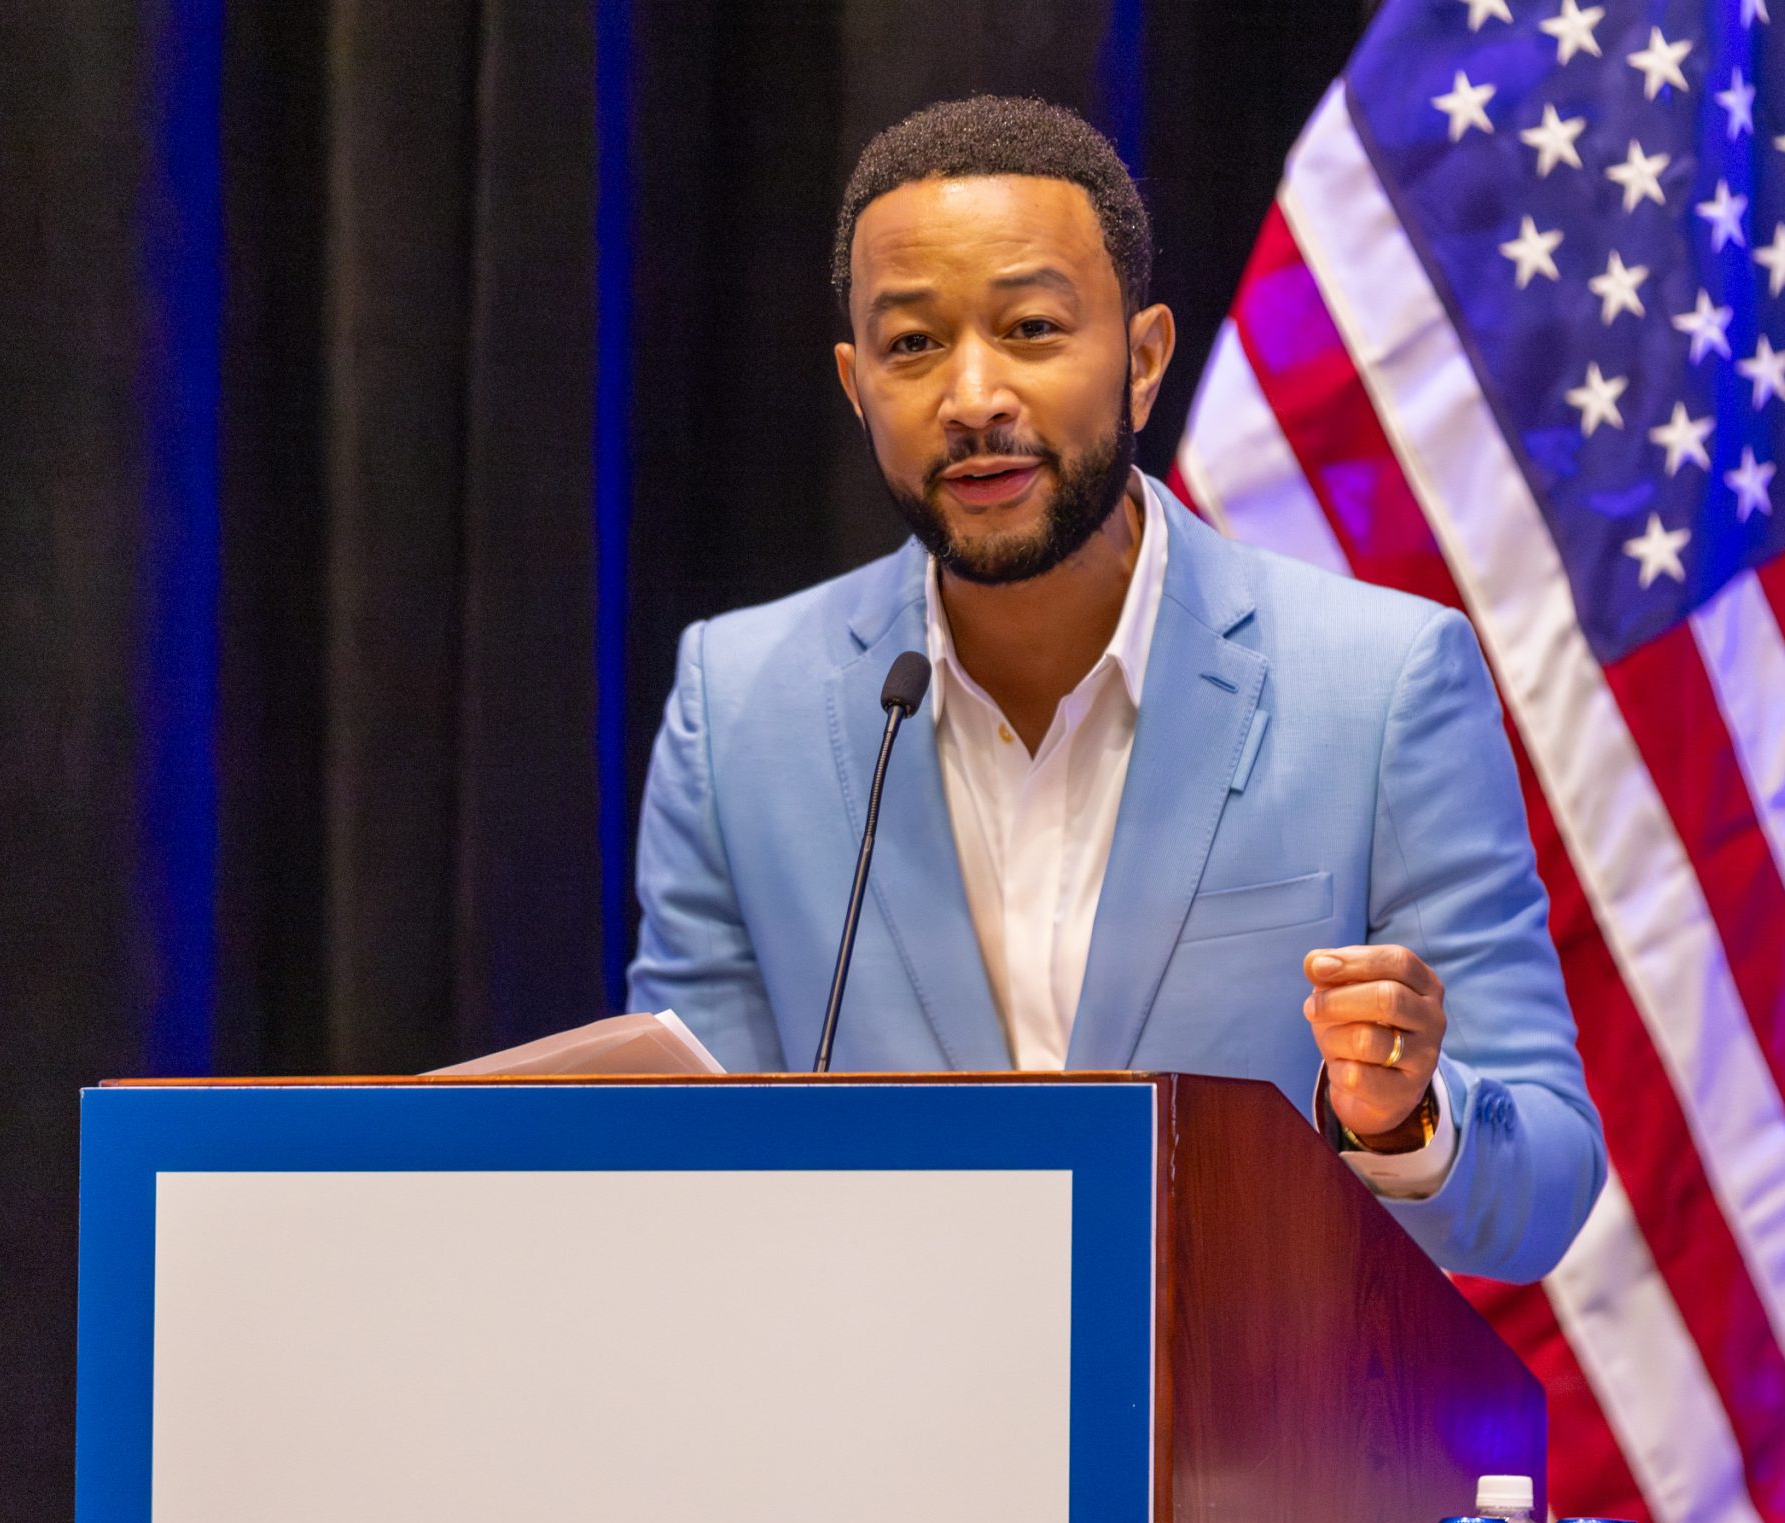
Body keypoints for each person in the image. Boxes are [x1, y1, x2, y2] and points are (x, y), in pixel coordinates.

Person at [626, 95, 1603, 1282]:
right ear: (854, 383)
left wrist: (1402, 1117)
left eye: (1031, 329)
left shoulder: (1382, 684)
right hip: (881, 1440)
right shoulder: (738, 708)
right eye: (911, 344)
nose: (971, 396)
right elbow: (677, 1168)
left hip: (1244, 1448)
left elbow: (1543, 1185)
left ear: (1141, 361)